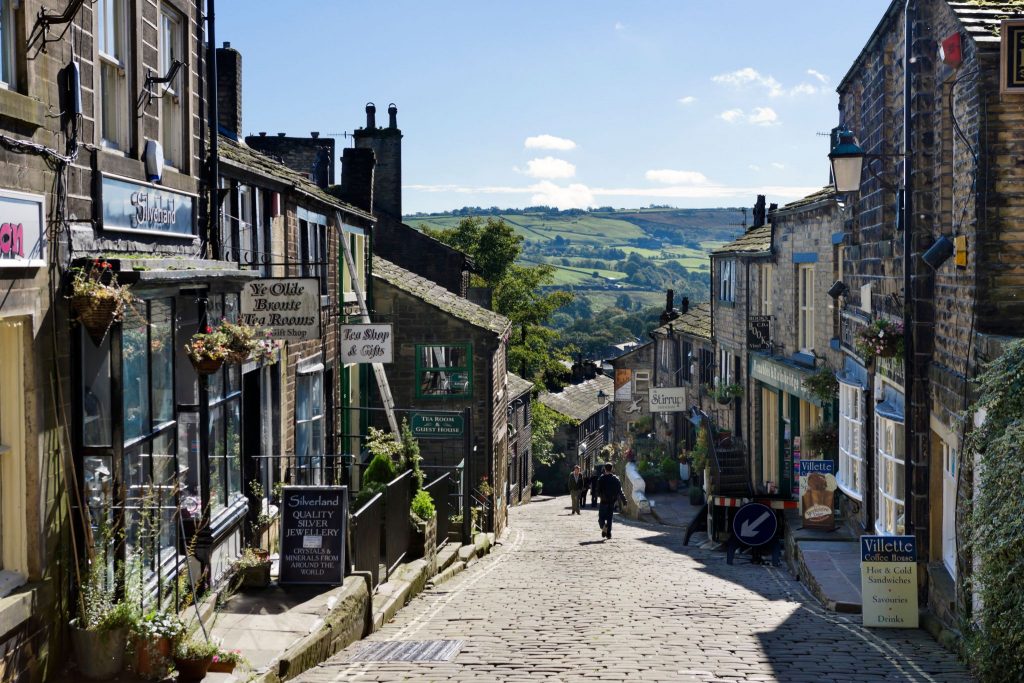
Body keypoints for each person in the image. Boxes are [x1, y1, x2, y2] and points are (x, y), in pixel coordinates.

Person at [597, 462, 625, 539]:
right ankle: (608, 533)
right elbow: (620, 491)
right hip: (611, 502)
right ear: (612, 469)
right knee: (609, 518)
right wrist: (624, 500)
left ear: (604, 469)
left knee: (601, 518)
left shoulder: (601, 479)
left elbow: (598, 491)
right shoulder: (616, 479)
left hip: (603, 502)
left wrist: (599, 496)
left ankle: (603, 526)